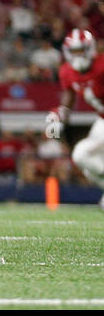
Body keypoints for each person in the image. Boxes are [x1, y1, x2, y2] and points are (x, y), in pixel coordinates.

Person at [48, 29, 104, 208]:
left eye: (81, 50)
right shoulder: (67, 71)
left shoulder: (101, 65)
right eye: (74, 51)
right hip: (101, 119)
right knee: (85, 162)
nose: (78, 55)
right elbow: (69, 100)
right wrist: (58, 115)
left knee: (82, 153)